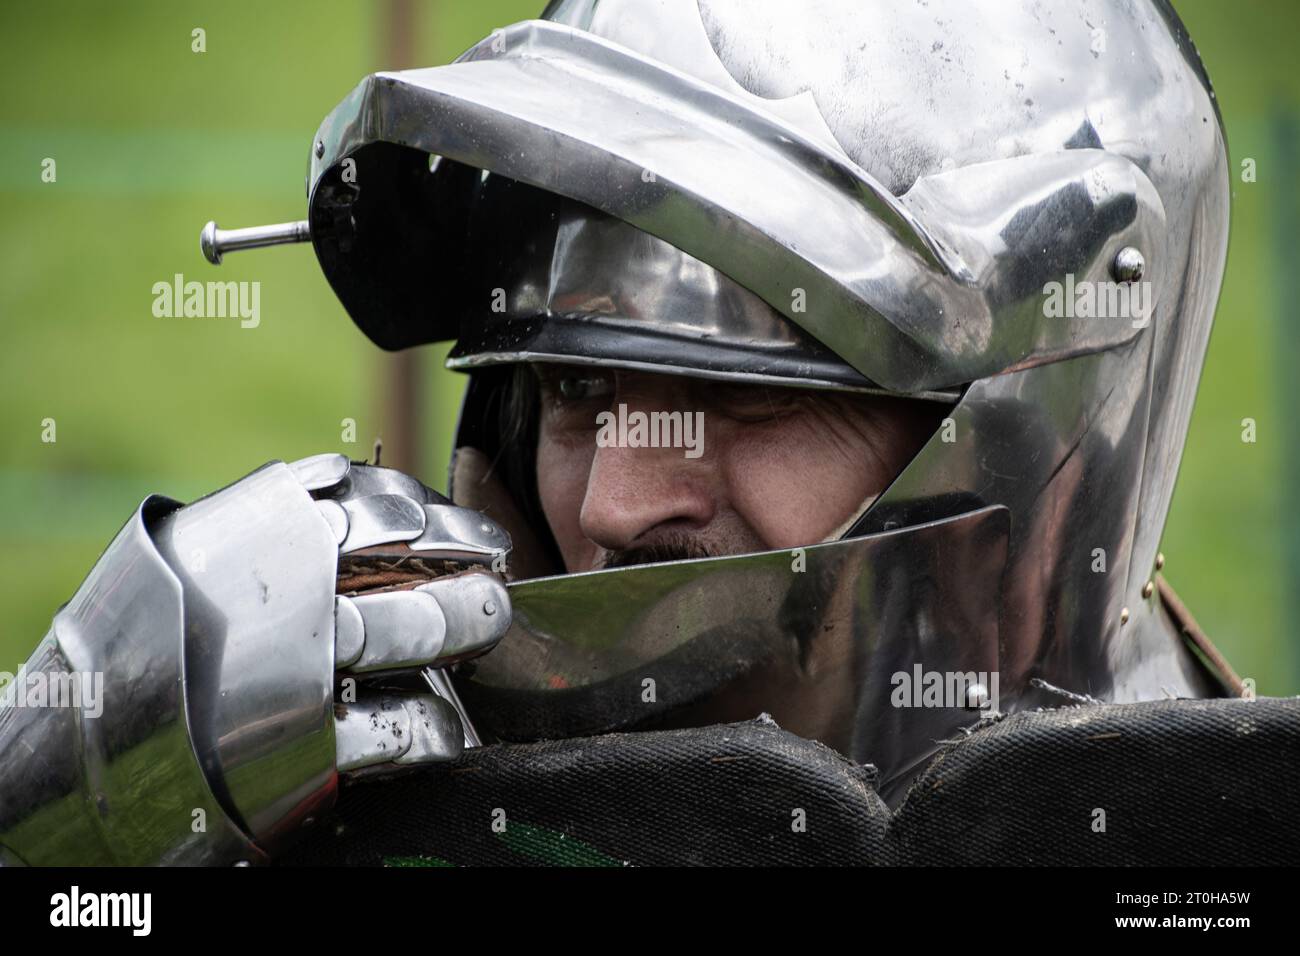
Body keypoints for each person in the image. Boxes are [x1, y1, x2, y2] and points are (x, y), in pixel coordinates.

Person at [0, 0, 1240, 865]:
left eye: (748, 397)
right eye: (576, 396)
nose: (606, 506)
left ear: (1035, 429)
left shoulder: (1204, 864)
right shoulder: (373, 814)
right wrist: (89, 815)